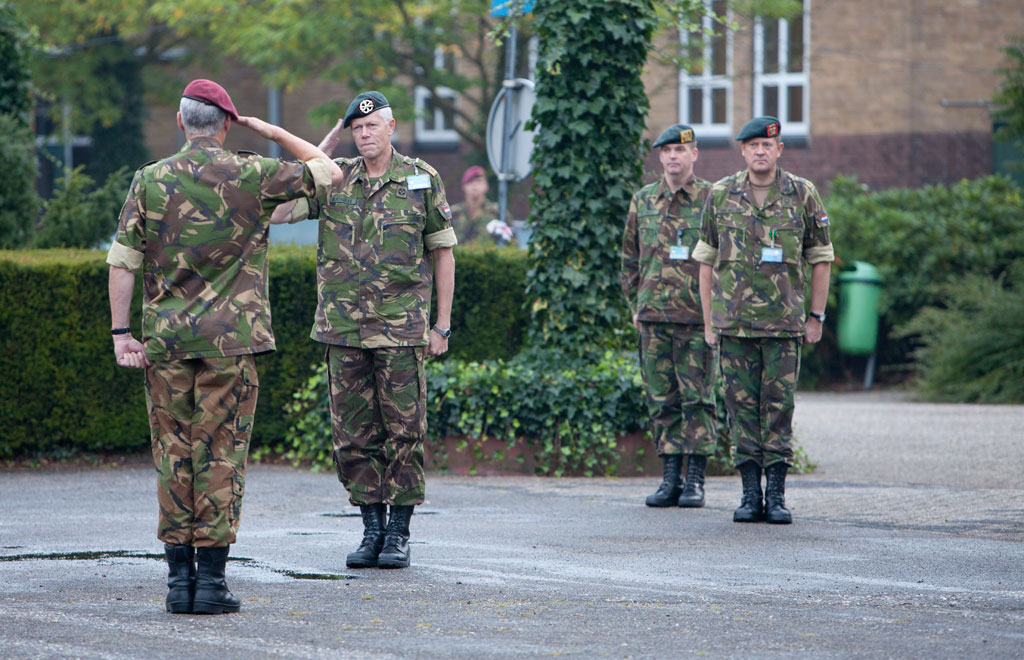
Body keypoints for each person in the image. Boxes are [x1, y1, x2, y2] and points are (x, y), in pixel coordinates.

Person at [107, 78, 342, 614]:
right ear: (229, 124)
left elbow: (122, 261)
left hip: (167, 344)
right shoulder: (252, 173)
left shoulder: (149, 179)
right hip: (230, 345)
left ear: (179, 121)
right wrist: (272, 131)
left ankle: (177, 584)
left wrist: (122, 335)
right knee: (220, 454)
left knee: (173, 456)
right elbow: (327, 172)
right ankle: (211, 584)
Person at [272, 91, 456, 569]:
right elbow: (275, 212)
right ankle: (371, 528)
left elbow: (442, 252)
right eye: (356, 128)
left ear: (391, 127)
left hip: (400, 331)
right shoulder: (335, 178)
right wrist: (316, 157)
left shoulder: (421, 179)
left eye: (372, 126)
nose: (364, 134)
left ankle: (399, 532)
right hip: (343, 331)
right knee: (353, 435)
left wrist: (442, 326)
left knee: (405, 432)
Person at [693, 116, 834, 525]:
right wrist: (708, 322)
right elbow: (705, 263)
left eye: (766, 145)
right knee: (740, 410)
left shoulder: (802, 194)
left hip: (783, 328)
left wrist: (816, 317)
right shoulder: (721, 195)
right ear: (742, 150)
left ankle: (775, 495)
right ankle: (749, 494)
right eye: (752, 145)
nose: (759, 151)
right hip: (734, 326)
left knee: (778, 409)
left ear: (779, 150)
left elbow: (821, 259)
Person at [621, 123, 719, 509]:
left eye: (680, 150)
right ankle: (670, 477)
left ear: (694, 154)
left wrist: (716, 315)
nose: (673, 157)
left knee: (698, 399)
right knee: (661, 400)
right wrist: (636, 305)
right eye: (666, 151)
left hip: (696, 318)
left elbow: (723, 259)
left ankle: (695, 479)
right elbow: (629, 258)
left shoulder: (712, 198)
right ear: (660, 157)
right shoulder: (643, 200)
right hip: (653, 318)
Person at [448, 165, 513, 246]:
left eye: (479, 181)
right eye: (470, 181)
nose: (474, 185)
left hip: (488, 253)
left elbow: (511, 242)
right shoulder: (453, 213)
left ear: (486, 186)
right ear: (463, 186)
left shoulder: (497, 212)